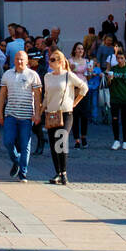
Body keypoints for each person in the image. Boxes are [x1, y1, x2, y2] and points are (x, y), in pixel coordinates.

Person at [41, 50, 88, 185]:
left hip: (66, 113)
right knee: (53, 144)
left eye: (54, 60)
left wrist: (75, 102)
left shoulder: (68, 75)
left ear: (61, 62)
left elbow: (84, 88)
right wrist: (40, 111)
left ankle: (64, 173)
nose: (51, 62)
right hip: (51, 113)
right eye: (50, 59)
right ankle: (58, 173)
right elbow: (46, 96)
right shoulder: (47, 76)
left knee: (61, 140)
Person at [0, 48, 41, 182]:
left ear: (27, 61)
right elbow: (2, 95)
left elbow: (38, 97)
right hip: (10, 114)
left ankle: (23, 172)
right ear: (13, 60)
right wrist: (0, 113)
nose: (19, 61)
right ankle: (16, 160)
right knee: (8, 141)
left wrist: (37, 113)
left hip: (27, 116)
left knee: (25, 144)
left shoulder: (33, 75)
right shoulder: (7, 74)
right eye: (17, 59)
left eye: (22, 59)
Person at [106, 44, 126, 149]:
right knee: (114, 119)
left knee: (125, 120)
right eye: (118, 58)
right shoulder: (113, 69)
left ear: (125, 58)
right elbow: (109, 84)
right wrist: (109, 78)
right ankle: (116, 140)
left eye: (121, 58)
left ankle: (125, 141)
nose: (119, 60)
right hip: (115, 97)